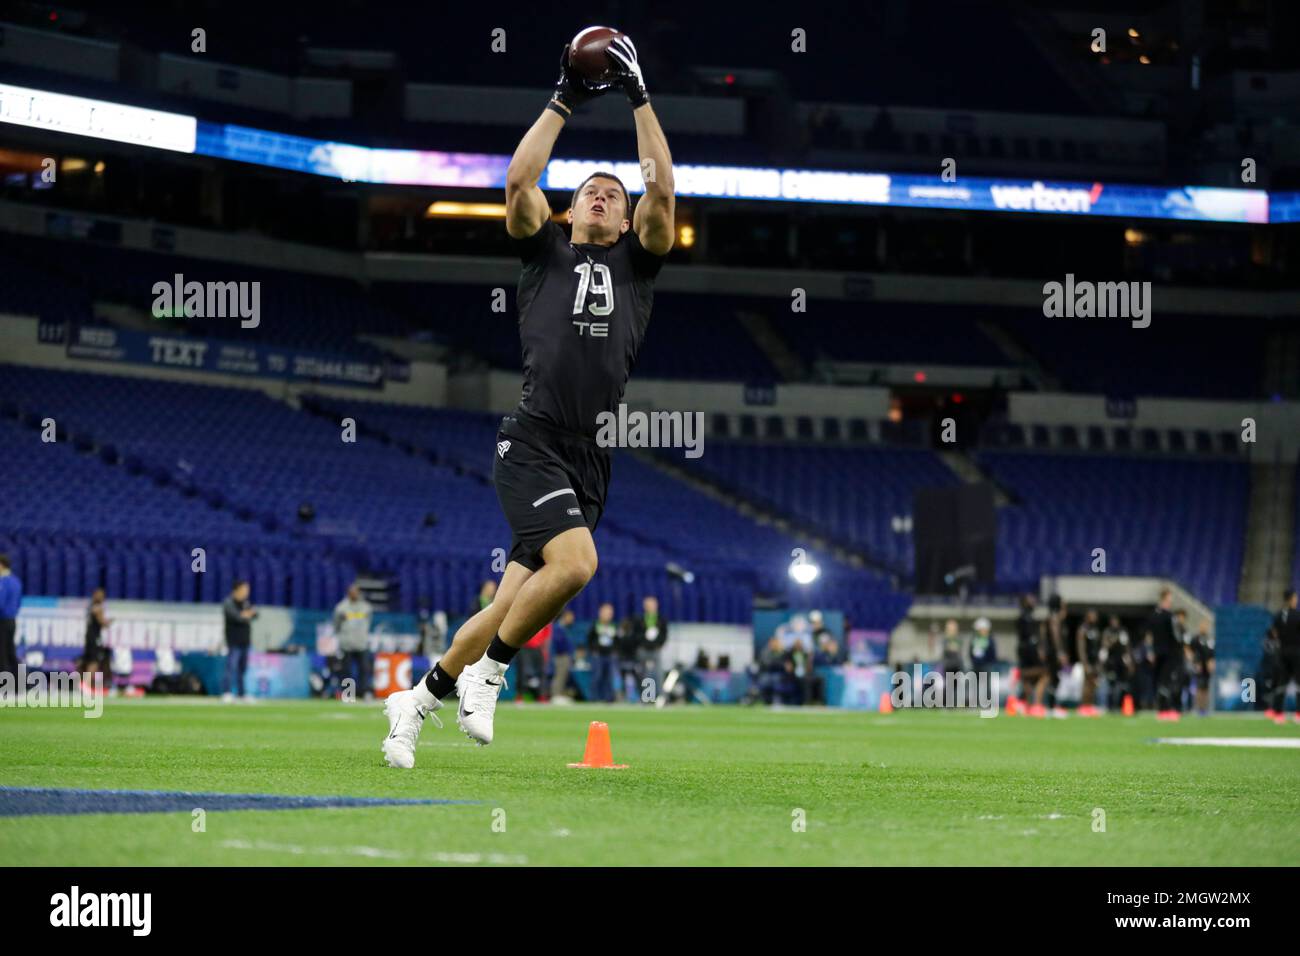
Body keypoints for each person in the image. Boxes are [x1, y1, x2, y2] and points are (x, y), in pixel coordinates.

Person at [382, 33, 674, 767]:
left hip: (591, 456)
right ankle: (491, 676)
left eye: (616, 194)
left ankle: (415, 704)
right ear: (568, 214)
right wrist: (565, 99)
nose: (605, 195)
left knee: (503, 605)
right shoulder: (546, 252)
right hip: (534, 437)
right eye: (590, 192)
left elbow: (662, 191)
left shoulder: (639, 267)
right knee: (578, 566)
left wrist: (640, 96)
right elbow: (517, 183)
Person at [1146, 588, 1183, 720]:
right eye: (1169, 599)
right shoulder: (1169, 616)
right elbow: (1176, 636)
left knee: (1159, 681)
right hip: (1169, 653)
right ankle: (1166, 709)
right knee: (1166, 681)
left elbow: (1149, 636)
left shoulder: (1153, 615)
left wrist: (1150, 651)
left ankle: (1161, 709)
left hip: (1157, 653)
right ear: (1164, 599)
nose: (1171, 602)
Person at [332, 583, 374, 701]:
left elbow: (368, 622)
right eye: (352, 592)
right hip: (347, 644)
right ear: (348, 593)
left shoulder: (366, 607)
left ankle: (365, 693)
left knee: (365, 670)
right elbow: (336, 625)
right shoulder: (341, 608)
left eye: (356, 592)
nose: (354, 594)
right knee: (347, 671)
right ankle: (348, 694)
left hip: (362, 644)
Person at [222, 579, 258, 702]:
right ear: (236, 590)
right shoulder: (229, 603)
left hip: (245, 641)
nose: (246, 592)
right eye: (244, 590)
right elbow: (237, 617)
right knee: (231, 667)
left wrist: (246, 614)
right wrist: (245, 615)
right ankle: (227, 692)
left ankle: (242, 694)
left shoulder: (245, 603)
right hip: (234, 641)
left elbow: (255, 614)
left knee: (242, 669)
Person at [1268, 587, 1300, 724]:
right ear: (1292, 598)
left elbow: (1273, 633)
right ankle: (1298, 714)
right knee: (1299, 683)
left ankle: (1278, 714)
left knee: (1282, 683)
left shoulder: (1278, 615)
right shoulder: (1297, 615)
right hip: (1296, 653)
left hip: (1282, 653)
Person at [629, 595, 668, 699]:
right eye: (648, 605)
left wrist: (659, 644)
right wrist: (643, 643)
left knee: (658, 674)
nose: (651, 607)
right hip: (643, 650)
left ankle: (660, 697)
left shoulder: (661, 619)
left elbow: (664, 635)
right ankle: (647, 697)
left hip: (656, 650)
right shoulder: (640, 619)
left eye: (652, 605)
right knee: (645, 674)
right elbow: (635, 635)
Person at [1015, 594, 1048, 716]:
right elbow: (1030, 638)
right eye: (1031, 600)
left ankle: (1029, 706)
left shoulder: (1023, 618)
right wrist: (1038, 650)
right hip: (1029, 652)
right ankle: (1036, 705)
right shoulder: (1026, 619)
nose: (1033, 602)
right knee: (1044, 673)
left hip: (1024, 651)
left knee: (1027, 679)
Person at [78, 588, 113, 693]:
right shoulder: (98, 608)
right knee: (95, 661)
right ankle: (85, 684)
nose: (103, 598)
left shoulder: (90, 607)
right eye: (101, 595)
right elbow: (102, 622)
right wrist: (109, 622)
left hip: (89, 637)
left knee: (89, 661)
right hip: (94, 638)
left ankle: (84, 684)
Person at [587, 602, 619, 703]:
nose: (608, 615)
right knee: (597, 676)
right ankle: (594, 698)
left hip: (609, 655)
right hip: (598, 655)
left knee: (609, 678)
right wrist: (594, 650)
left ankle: (608, 698)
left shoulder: (614, 626)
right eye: (606, 612)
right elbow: (590, 639)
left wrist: (615, 651)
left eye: (610, 613)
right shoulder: (595, 625)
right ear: (600, 613)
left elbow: (617, 641)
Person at [1101, 616, 1132, 711]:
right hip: (1111, 662)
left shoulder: (1122, 632)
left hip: (1120, 662)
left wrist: (1129, 661)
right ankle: (1110, 706)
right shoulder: (1107, 632)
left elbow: (1126, 646)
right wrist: (1113, 641)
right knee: (1111, 684)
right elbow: (1105, 646)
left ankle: (1121, 705)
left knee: (1122, 684)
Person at [1075, 609, 1102, 716]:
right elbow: (1081, 648)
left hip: (1094, 660)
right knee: (1086, 683)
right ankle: (1083, 706)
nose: (1095, 617)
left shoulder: (1095, 629)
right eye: (1092, 615)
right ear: (1087, 616)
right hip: (1087, 660)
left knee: (1093, 684)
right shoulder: (1083, 629)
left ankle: (1090, 705)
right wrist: (1085, 663)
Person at [0, 554, 22, 682]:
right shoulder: (16, 581)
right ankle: (23, 682)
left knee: (2, 653)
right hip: (11, 620)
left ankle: (4, 683)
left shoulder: (2, 581)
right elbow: (18, 603)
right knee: (10, 652)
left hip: (2, 621)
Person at [1188, 619, 1215, 716]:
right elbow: (1189, 650)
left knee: (1206, 688)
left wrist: (1212, 662)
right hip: (1199, 666)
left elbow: (1212, 653)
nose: (1204, 628)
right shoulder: (1195, 639)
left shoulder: (1209, 639)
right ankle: (1198, 708)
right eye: (1203, 625)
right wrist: (1195, 662)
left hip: (1207, 667)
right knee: (1199, 687)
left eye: (1206, 626)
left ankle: (1205, 709)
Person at [549, 608, 576, 703]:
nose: (572, 619)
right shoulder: (558, 627)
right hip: (561, 656)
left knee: (563, 676)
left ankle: (559, 694)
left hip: (565, 656)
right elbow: (558, 642)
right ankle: (555, 695)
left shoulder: (566, 628)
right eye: (570, 617)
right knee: (559, 676)